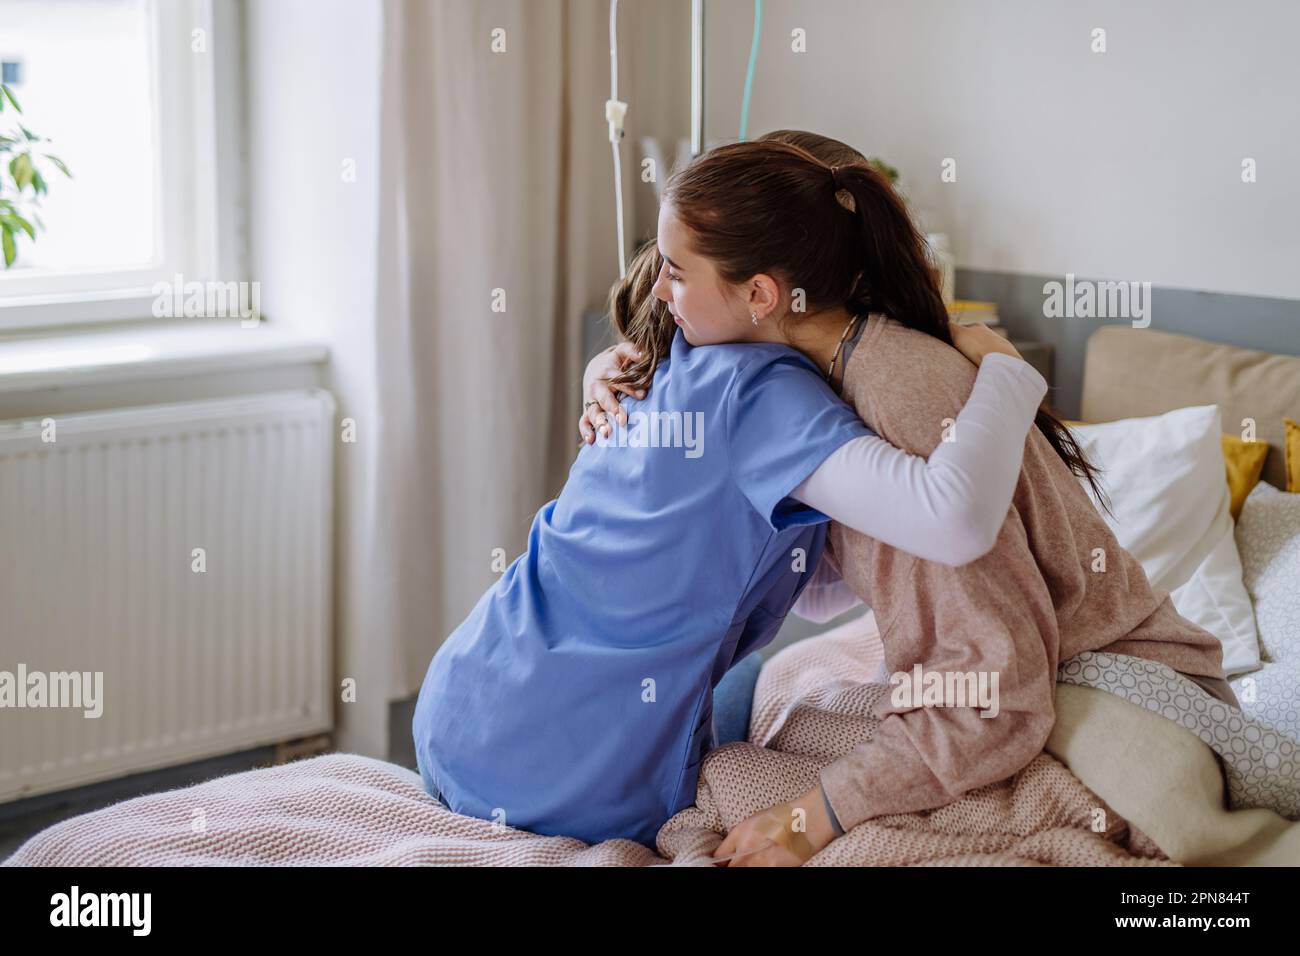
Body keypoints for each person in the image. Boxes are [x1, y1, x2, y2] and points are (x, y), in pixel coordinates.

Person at [412, 151, 1049, 846]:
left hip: (465, 704)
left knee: (749, 691)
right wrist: (1009, 373)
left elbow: (806, 593)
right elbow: (955, 517)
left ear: (761, 295)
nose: (659, 290)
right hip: (556, 769)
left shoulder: (676, 357)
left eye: (676, 272)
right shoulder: (763, 395)